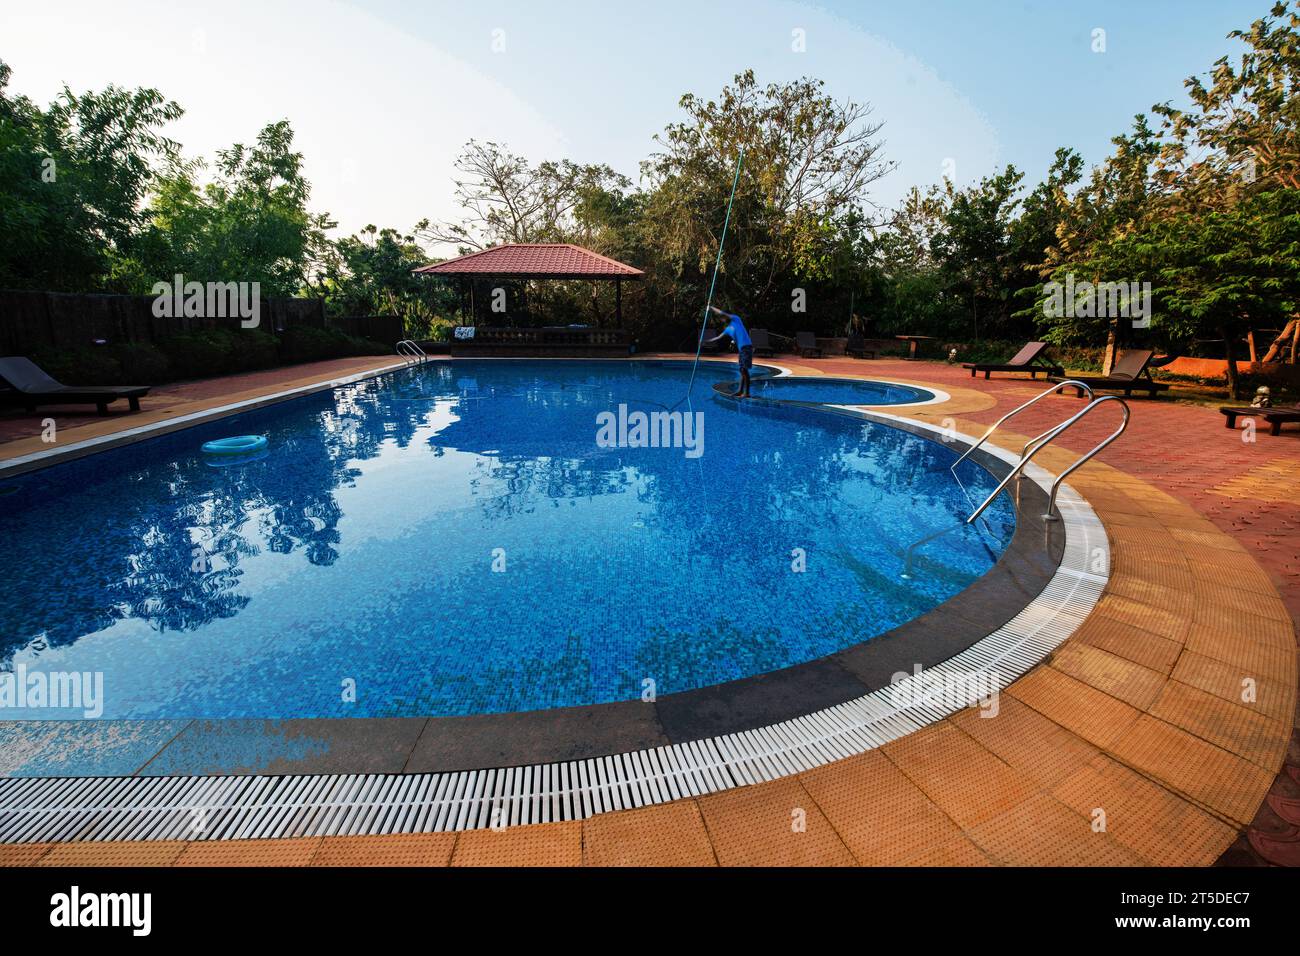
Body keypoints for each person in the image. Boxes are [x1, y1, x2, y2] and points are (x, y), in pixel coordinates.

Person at [702, 305, 753, 398]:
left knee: (744, 369)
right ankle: (740, 391)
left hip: (747, 347)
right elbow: (718, 338)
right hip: (741, 349)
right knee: (742, 370)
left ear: (726, 316)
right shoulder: (728, 329)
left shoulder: (736, 319)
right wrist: (706, 341)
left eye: (723, 318)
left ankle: (747, 393)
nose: (722, 319)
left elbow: (722, 313)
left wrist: (711, 308)